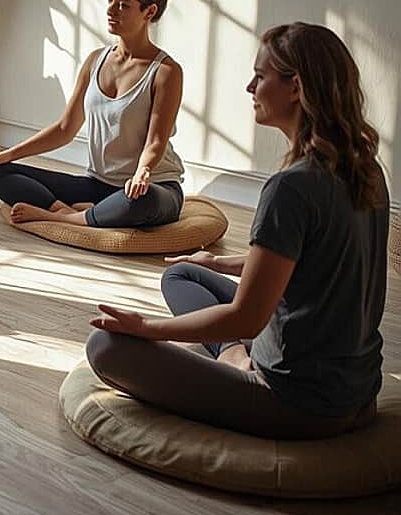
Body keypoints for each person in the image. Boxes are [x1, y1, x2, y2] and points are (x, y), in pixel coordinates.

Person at [86, 23, 388, 440]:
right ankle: (233, 352)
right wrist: (217, 262)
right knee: (185, 273)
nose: (250, 87)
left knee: (105, 348)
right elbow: (314, 260)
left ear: (296, 87)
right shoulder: (366, 171)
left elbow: (247, 317)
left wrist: (147, 328)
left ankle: (234, 360)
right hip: (359, 392)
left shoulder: (291, 187)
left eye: (260, 76)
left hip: (295, 403)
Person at [0, 0, 186, 229]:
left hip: (151, 186)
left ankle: (59, 218)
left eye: (123, 5)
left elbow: (156, 141)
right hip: (99, 185)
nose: (111, 10)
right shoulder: (96, 61)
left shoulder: (165, 72)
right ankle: (69, 210)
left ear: (149, 12)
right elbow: (64, 129)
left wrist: (143, 172)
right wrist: (7, 154)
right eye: (110, 0)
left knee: (143, 200)